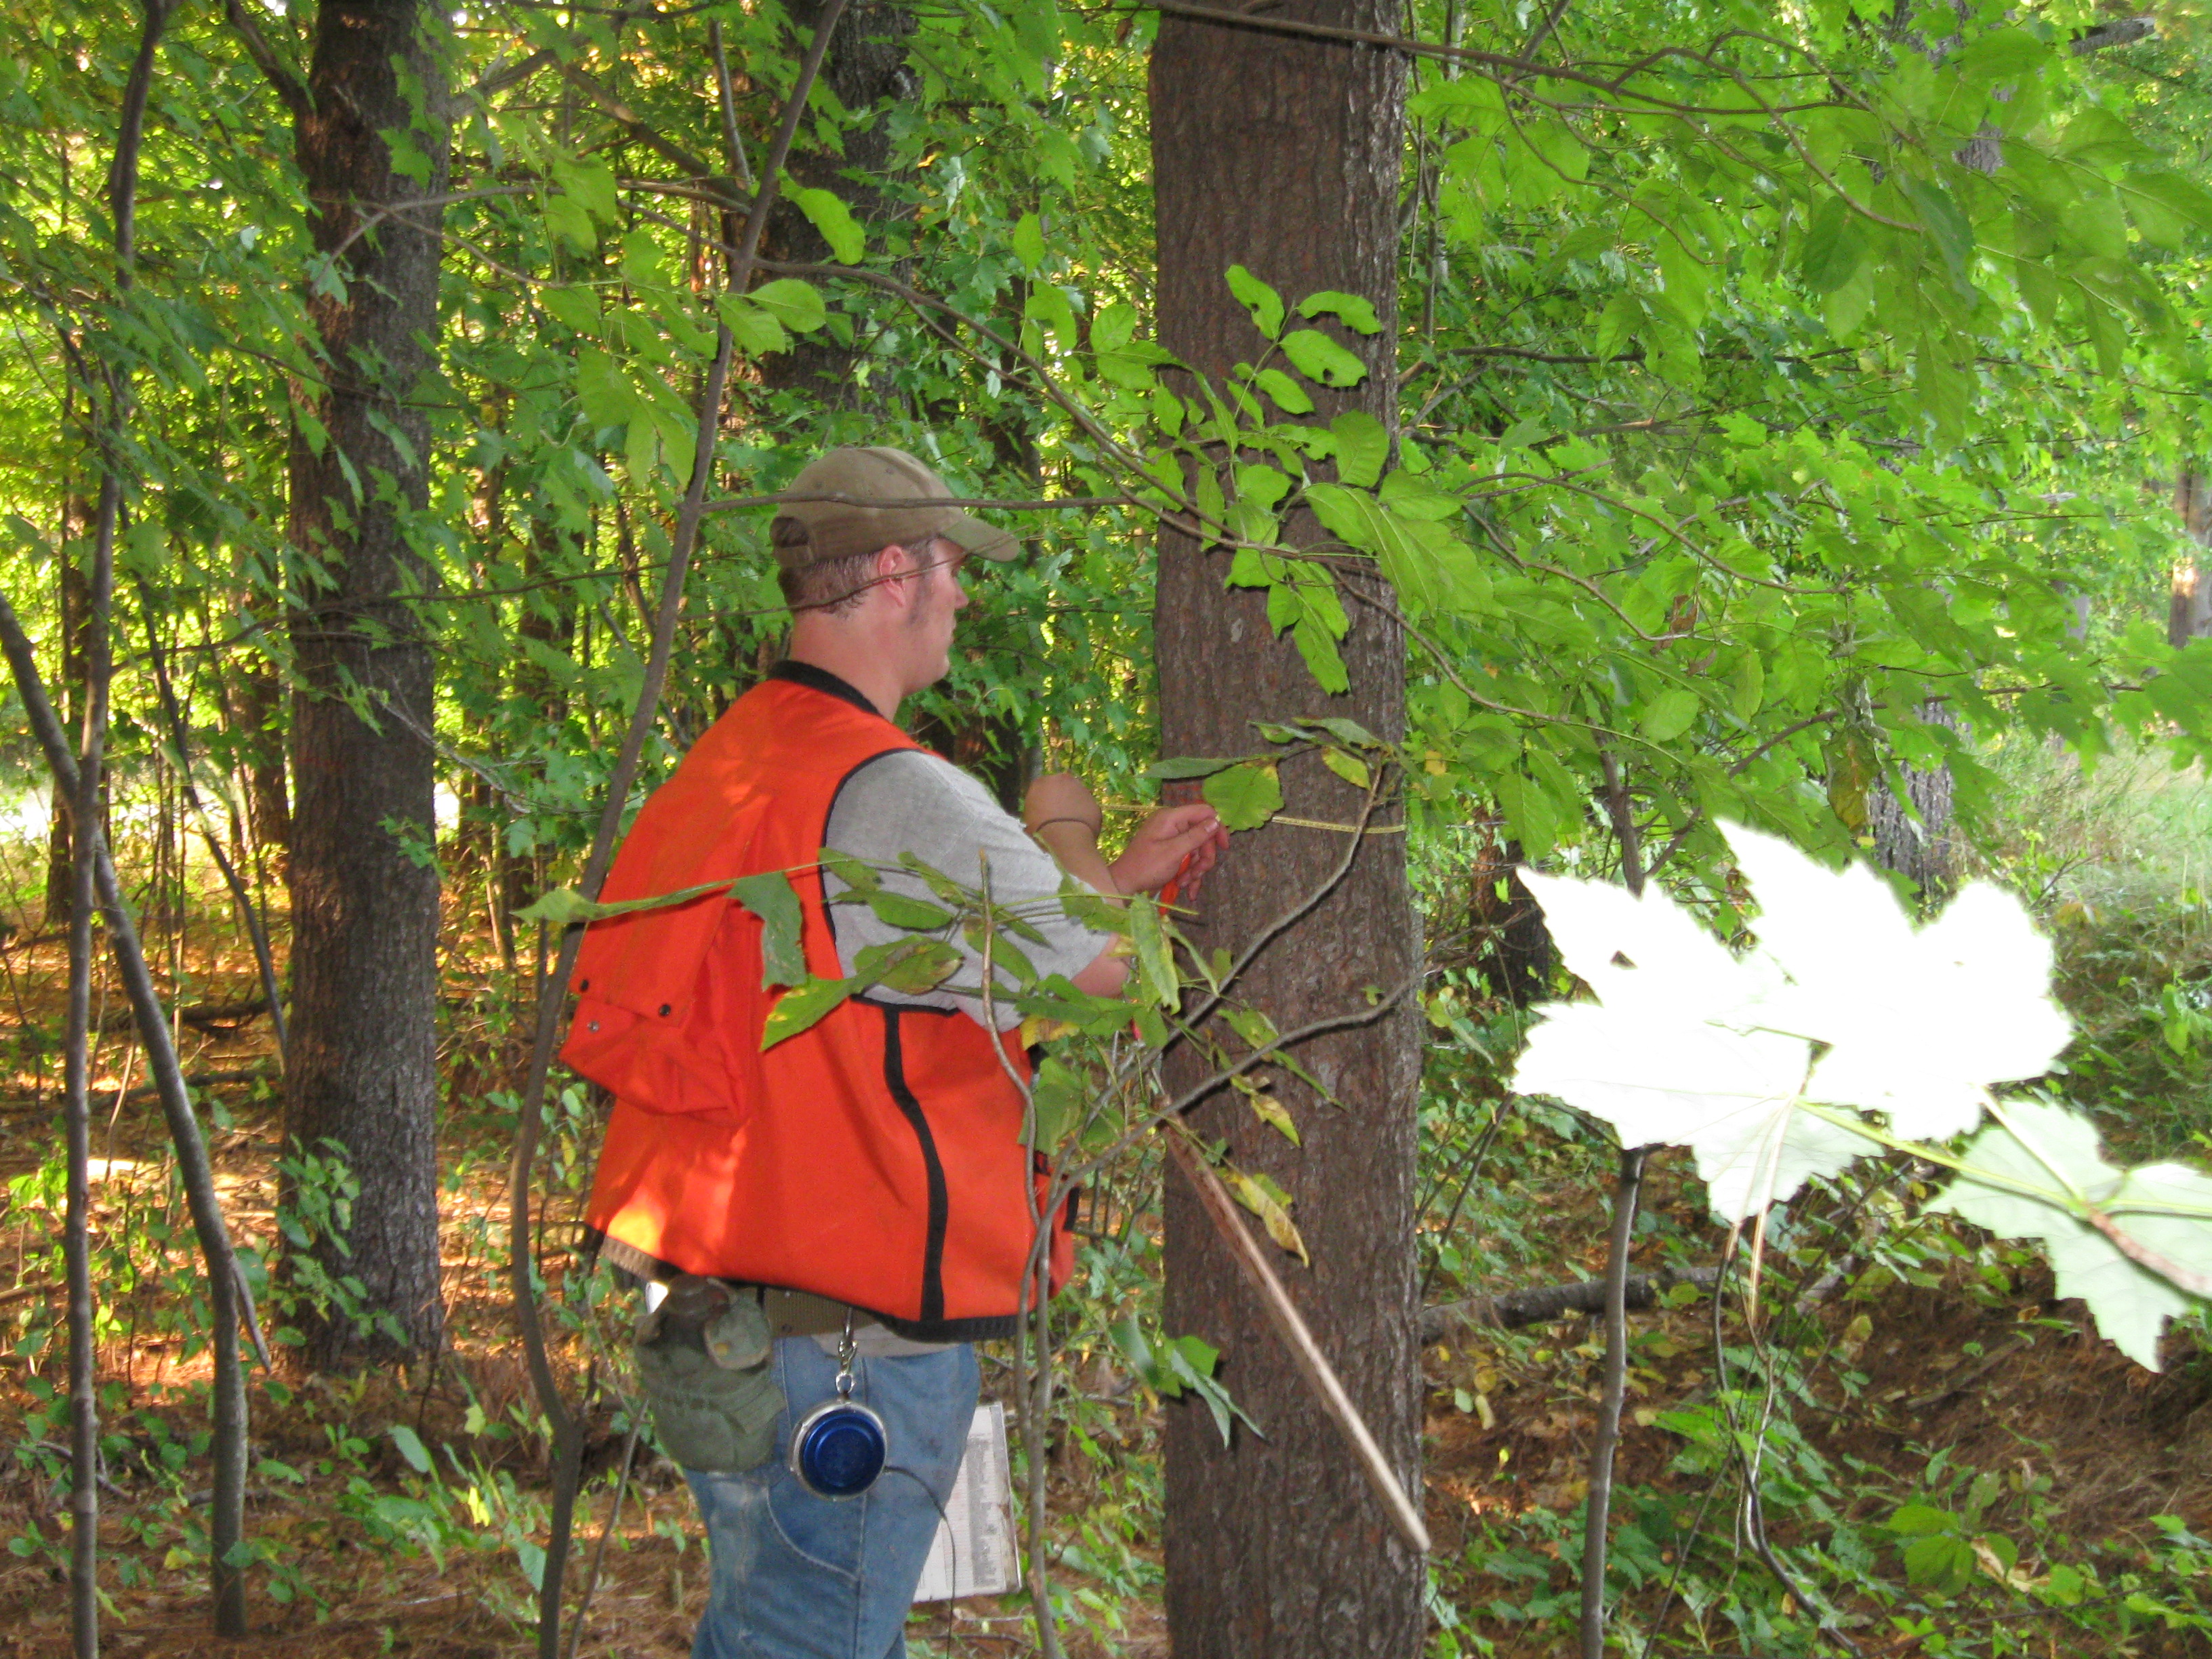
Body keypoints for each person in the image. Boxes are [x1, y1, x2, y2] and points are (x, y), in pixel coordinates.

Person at [558, 445, 1225, 1659]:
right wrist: (1066, 828)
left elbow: (899, 964)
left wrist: (1102, 878)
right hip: (848, 1357)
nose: (967, 594)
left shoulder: (741, 759)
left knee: (766, 1633)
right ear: (895, 573)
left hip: (731, 1325)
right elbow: (1105, 975)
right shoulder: (897, 792)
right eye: (955, 565)